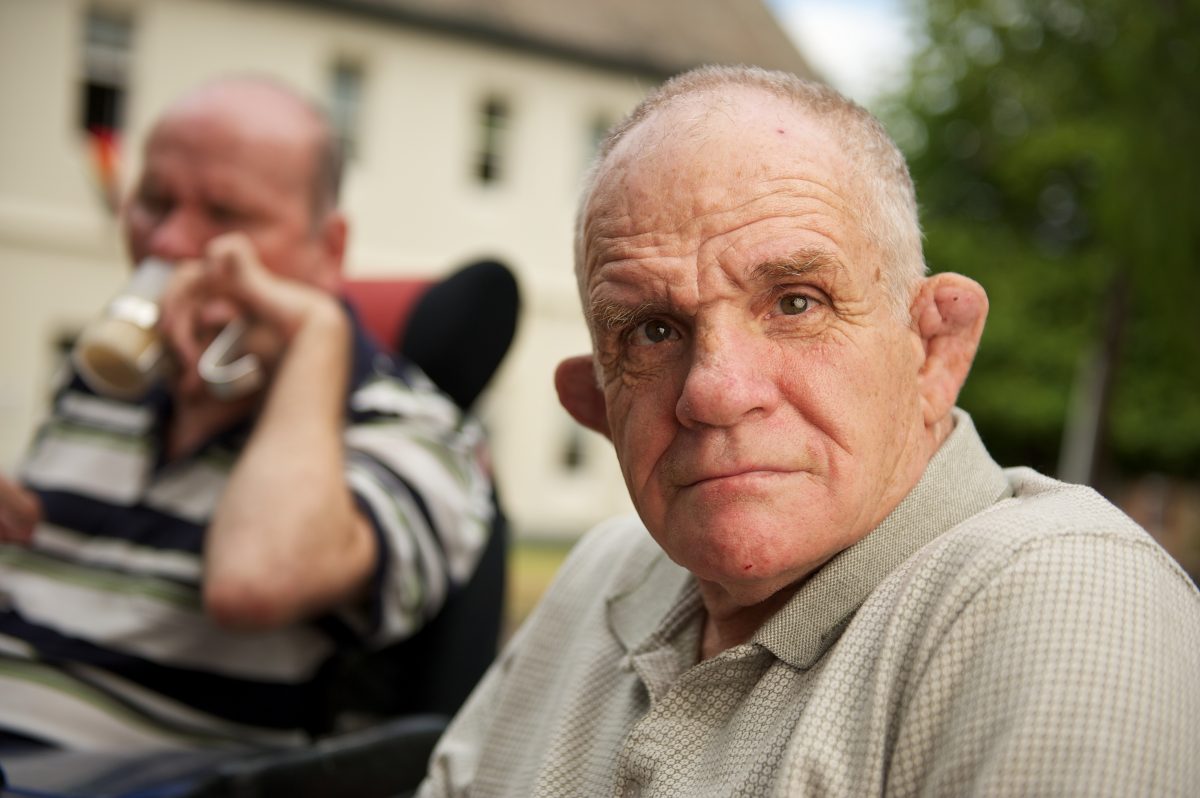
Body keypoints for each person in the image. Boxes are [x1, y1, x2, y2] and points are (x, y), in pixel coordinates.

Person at [417, 65, 1200, 796]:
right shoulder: (601, 573)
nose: (715, 392)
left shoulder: (1062, 599)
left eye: (796, 302)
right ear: (597, 406)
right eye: (653, 332)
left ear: (933, 352)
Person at [0, 76, 496, 750]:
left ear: (329, 249)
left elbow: (255, 582)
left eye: (225, 215)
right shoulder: (101, 384)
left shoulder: (421, 432)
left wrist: (319, 333)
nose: (171, 243)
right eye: (153, 203)